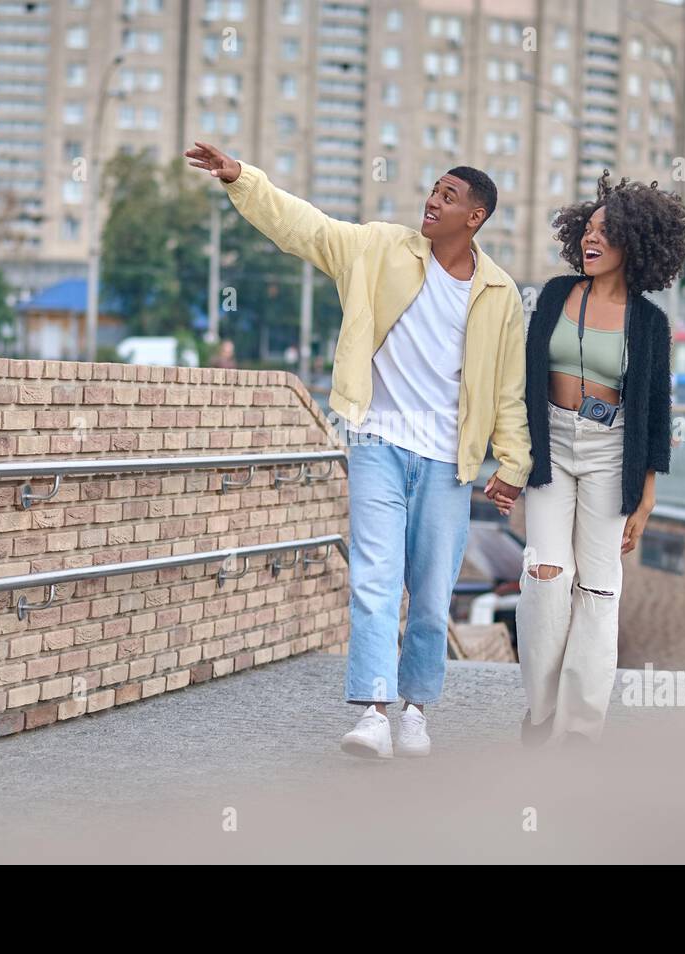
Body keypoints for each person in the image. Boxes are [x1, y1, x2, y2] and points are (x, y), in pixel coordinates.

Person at [185, 141, 531, 759]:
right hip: (376, 441)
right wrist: (243, 178)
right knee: (374, 579)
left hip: (447, 462)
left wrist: (512, 463)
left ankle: (415, 710)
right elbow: (305, 228)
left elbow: (507, 388)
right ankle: (372, 711)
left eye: (449, 196)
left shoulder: (500, 294)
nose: (433, 200)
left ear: (475, 216)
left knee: (429, 594)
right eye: (433, 189)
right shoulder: (378, 248)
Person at [513, 171, 685, 746]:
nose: (591, 241)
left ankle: (580, 728)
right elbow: (521, 383)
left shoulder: (650, 324)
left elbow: (657, 413)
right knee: (545, 575)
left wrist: (648, 495)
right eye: (586, 230)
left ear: (634, 246)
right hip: (552, 446)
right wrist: (510, 461)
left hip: (611, 452)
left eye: (604, 234)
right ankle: (541, 712)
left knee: (598, 589)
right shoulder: (554, 297)